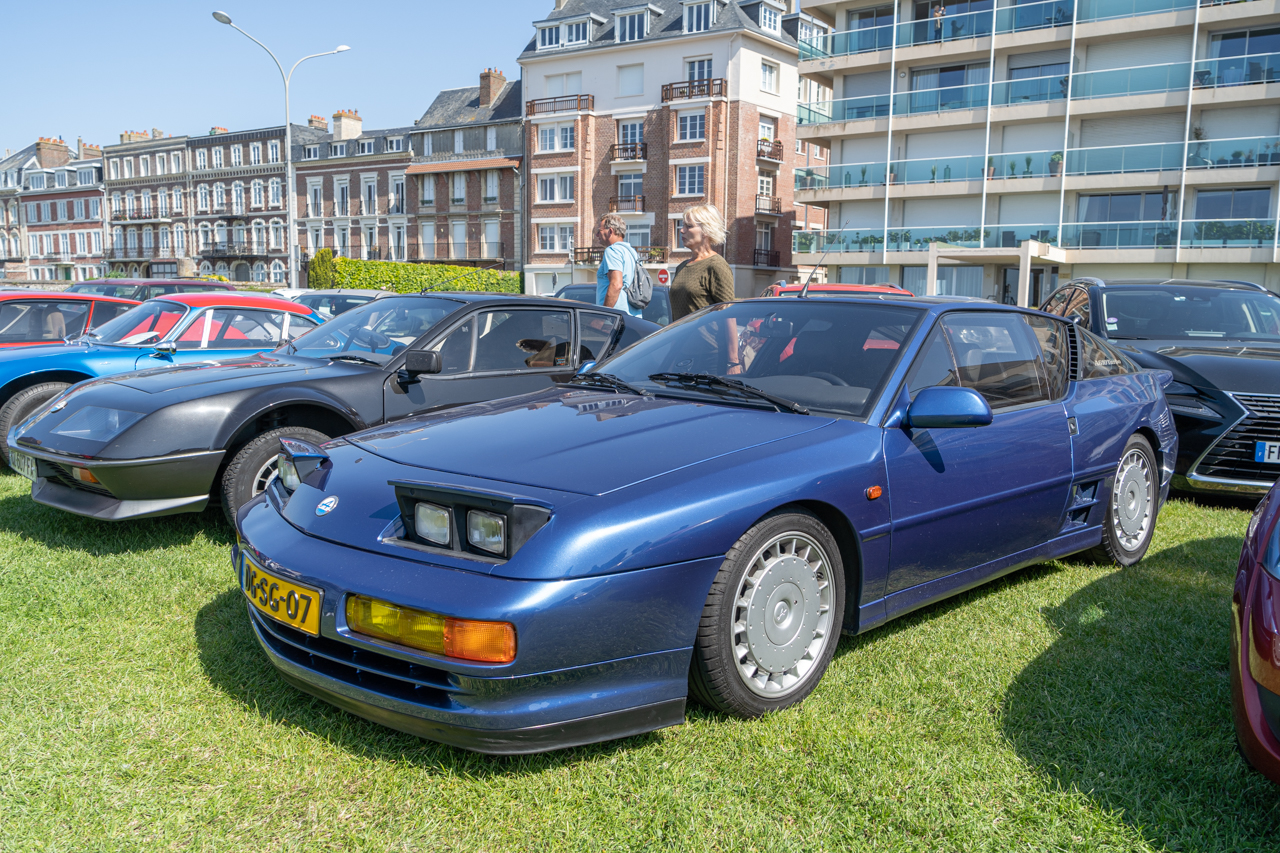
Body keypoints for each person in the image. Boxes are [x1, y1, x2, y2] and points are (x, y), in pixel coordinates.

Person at [669, 203, 741, 373]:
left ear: (706, 231)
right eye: (682, 225)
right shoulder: (682, 267)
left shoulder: (716, 265)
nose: (682, 230)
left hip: (710, 356)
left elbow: (728, 314)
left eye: (688, 226)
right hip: (681, 354)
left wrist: (733, 361)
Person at [594, 214, 642, 318]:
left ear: (610, 231)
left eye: (599, 231)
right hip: (634, 318)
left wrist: (602, 318)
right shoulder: (632, 253)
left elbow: (616, 285)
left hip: (615, 320)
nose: (597, 235)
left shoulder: (612, 251)